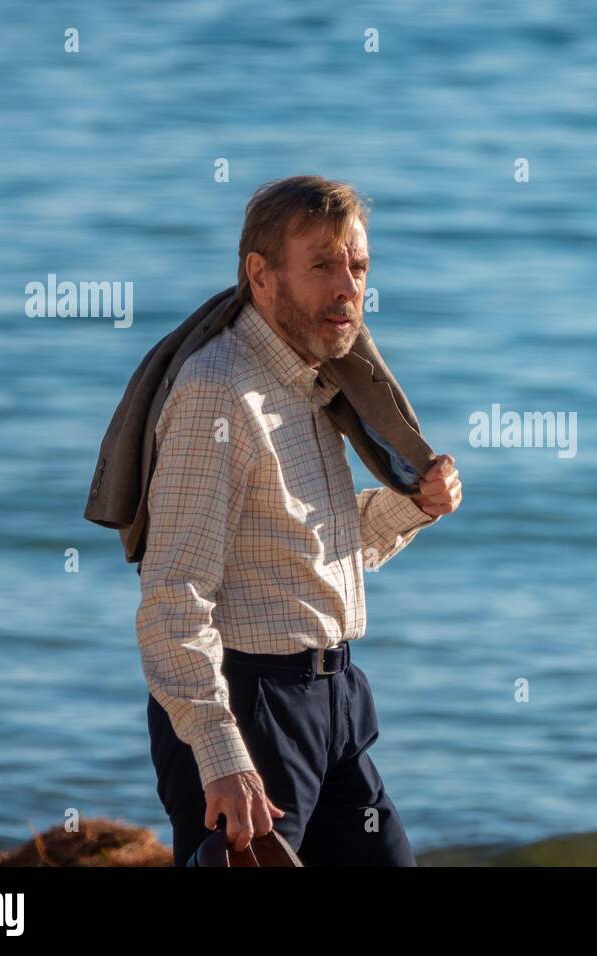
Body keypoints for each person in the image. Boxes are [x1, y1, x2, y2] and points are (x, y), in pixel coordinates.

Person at [138, 175, 462, 866]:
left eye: (358, 266)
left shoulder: (316, 380)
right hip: (252, 710)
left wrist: (413, 505)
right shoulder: (219, 394)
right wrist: (222, 755)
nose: (348, 287)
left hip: (335, 702)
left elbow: (302, 549)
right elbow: (173, 599)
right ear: (261, 276)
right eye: (322, 265)